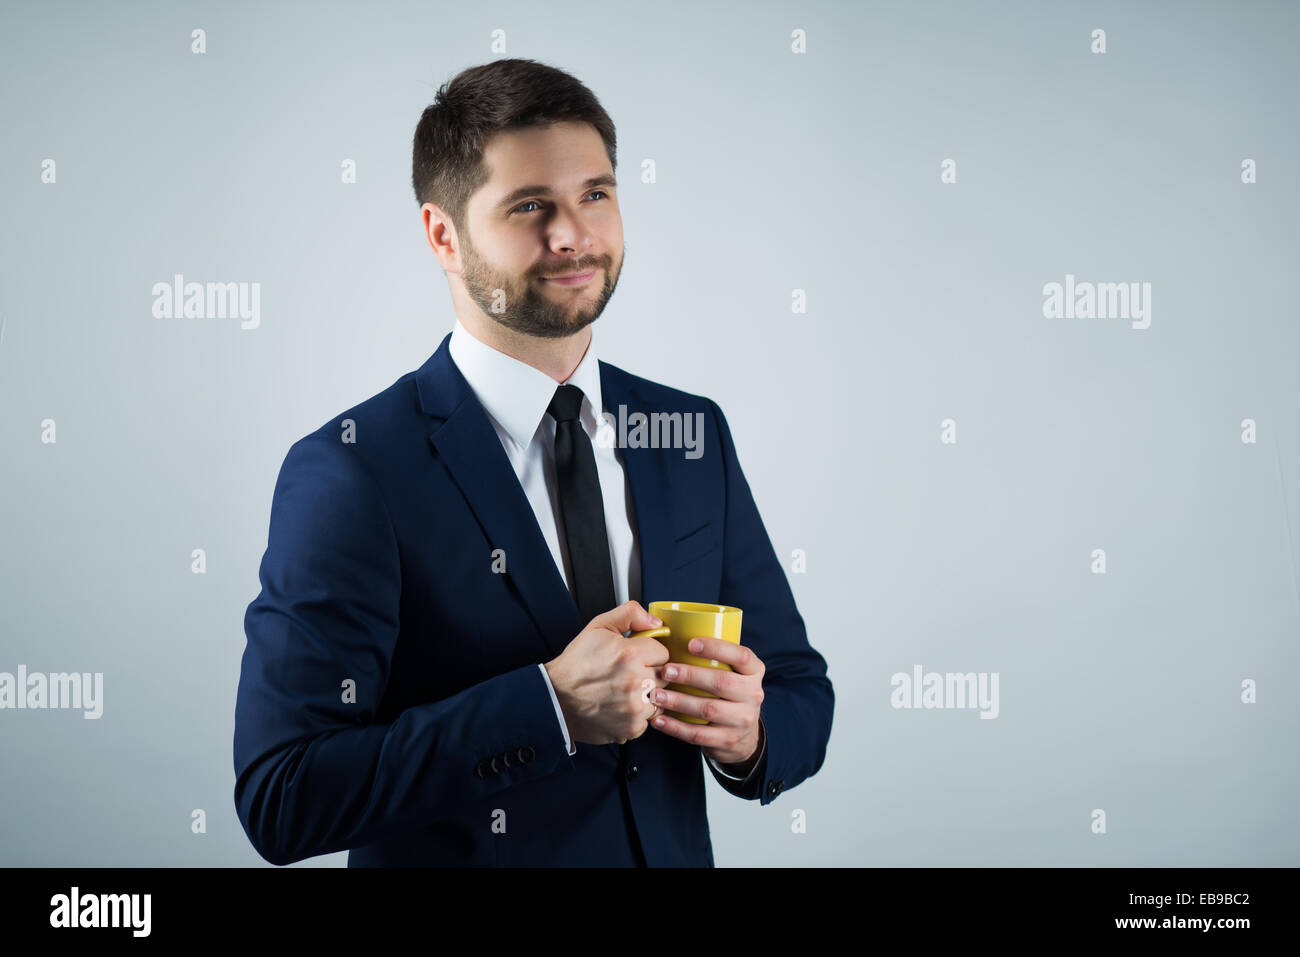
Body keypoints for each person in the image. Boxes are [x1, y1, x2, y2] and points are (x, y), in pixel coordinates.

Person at [233, 57, 833, 867]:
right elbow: (282, 794)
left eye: (595, 194)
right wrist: (546, 707)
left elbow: (801, 691)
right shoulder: (353, 471)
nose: (573, 236)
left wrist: (751, 733)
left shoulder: (689, 431)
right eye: (529, 206)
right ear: (443, 234)